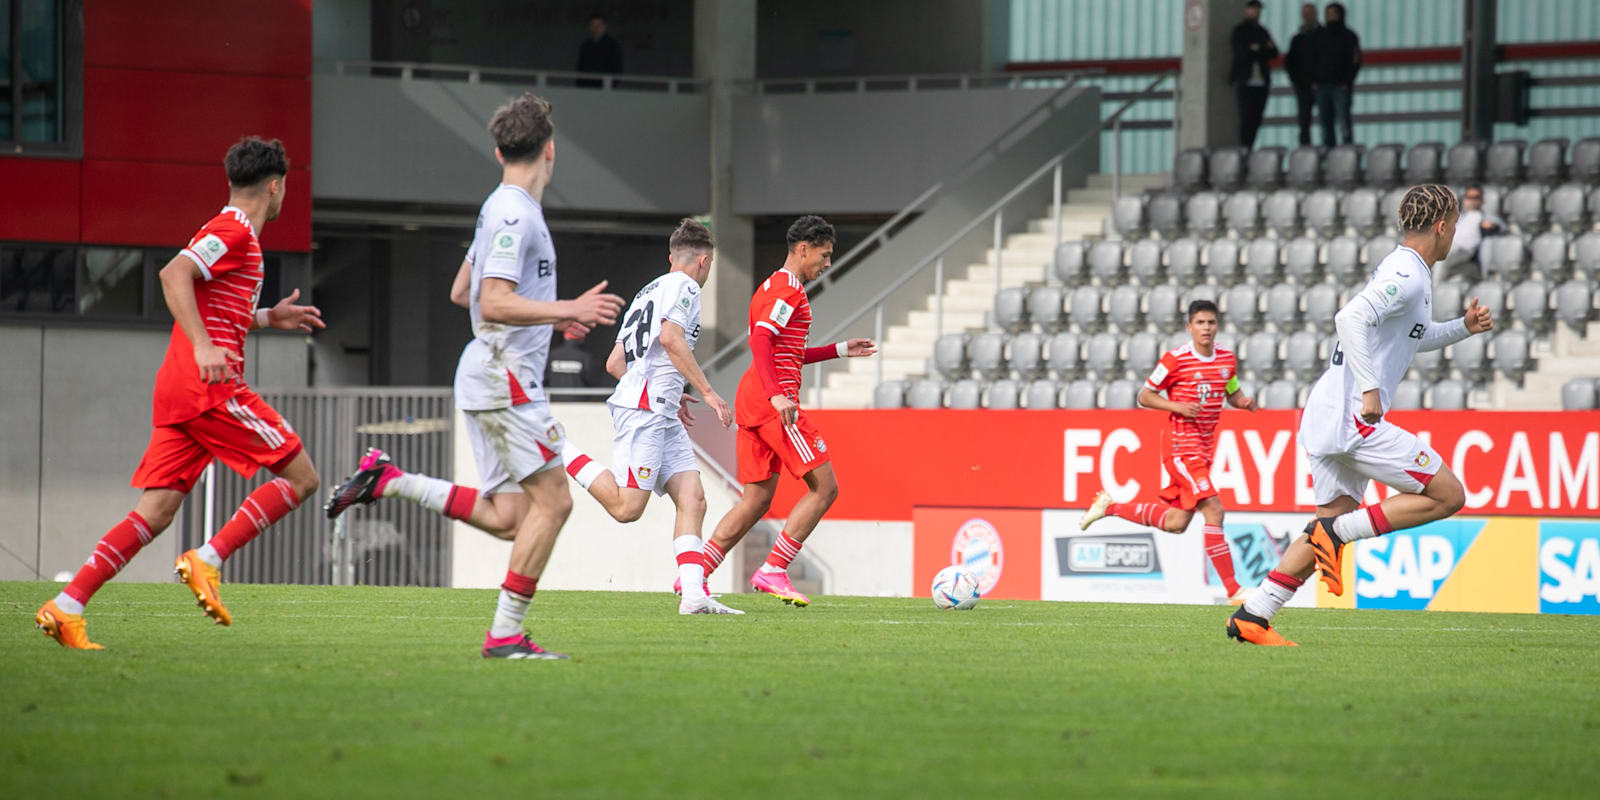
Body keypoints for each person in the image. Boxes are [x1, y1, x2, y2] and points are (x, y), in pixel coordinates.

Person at [324, 93, 625, 659]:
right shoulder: (514, 213)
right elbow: (489, 301)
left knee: (511, 517)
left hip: (492, 370)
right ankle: (506, 635)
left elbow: (462, 291)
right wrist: (567, 309)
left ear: (497, 150)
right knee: (555, 505)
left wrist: (549, 324)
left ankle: (390, 481)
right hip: (504, 377)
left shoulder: (496, 209)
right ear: (551, 150)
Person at [34, 137, 327, 649]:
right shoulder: (233, 229)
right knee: (303, 478)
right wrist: (203, 346)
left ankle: (67, 605)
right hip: (208, 388)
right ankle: (208, 559)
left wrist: (266, 318)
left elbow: (214, 305)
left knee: (156, 512)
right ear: (276, 186)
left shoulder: (236, 235)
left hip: (180, 390)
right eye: (285, 190)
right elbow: (175, 274)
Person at [1227, 185, 1494, 646]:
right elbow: (1349, 318)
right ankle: (1337, 532)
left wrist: (1462, 328)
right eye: (1454, 226)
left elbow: (1414, 335)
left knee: (1328, 525)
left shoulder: (1409, 271)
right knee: (1448, 494)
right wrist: (1371, 389)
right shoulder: (1407, 273)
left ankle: (1254, 613)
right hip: (1355, 417)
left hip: (1327, 413)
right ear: (1443, 226)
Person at [558, 218, 743, 615]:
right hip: (644, 410)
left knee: (692, 498)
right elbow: (670, 339)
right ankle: (558, 448)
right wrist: (706, 392)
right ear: (704, 262)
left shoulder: (648, 291)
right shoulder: (687, 287)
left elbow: (614, 363)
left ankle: (693, 595)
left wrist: (671, 392)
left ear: (671, 257)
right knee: (628, 509)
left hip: (656, 407)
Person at [696, 216, 877, 607]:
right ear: (803, 250)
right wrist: (778, 396)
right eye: (824, 256)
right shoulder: (789, 291)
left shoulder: (772, 286)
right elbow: (760, 342)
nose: (826, 264)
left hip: (754, 399)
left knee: (756, 500)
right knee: (825, 487)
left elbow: (785, 351)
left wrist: (841, 350)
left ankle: (696, 575)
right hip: (769, 402)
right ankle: (774, 569)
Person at [1080, 300, 1257, 605]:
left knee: (1177, 523)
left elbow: (1231, 390)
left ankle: (1108, 507)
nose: (1206, 328)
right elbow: (1144, 395)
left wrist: (1243, 402)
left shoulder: (1227, 360)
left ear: (1217, 326)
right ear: (1190, 327)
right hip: (1179, 446)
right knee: (1214, 510)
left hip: (1204, 449)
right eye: (1200, 323)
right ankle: (1234, 591)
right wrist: (1176, 406)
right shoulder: (1175, 360)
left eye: (1211, 323)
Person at [1229, 0, 1279, 150]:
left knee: (1256, 119)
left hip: (1261, 81)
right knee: (1246, 119)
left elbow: (1273, 52)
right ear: (1247, 11)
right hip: (1245, 80)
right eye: (1253, 10)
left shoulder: (1262, 31)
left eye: (1258, 10)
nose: (1256, 13)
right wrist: (1260, 49)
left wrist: (1256, 48)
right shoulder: (1240, 30)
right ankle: (1245, 149)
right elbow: (1241, 52)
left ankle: (1249, 147)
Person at [1313, 2, 1362, 147]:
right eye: (1328, 14)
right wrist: (1314, 80)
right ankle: (1329, 156)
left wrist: (1346, 81)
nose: (1330, 17)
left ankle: (1347, 155)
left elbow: (1356, 61)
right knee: (1325, 124)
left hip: (1341, 86)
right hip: (1322, 85)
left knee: (1344, 123)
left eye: (1333, 14)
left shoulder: (1349, 36)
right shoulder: (1318, 35)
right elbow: (1312, 59)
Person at [1440, 184, 1504, 283]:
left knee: (1441, 261)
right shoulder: (1459, 217)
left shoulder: (1486, 217)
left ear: (1482, 200)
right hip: (1451, 248)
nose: (1473, 201)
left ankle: (1435, 288)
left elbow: (1503, 228)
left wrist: (1492, 227)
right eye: (1469, 197)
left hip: (1465, 251)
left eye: (1476, 197)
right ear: (1464, 200)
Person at [1284, 3, 1322, 147]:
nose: (1308, 16)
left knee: (1327, 121)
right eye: (1305, 14)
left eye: (1310, 13)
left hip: (1322, 84)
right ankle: (1305, 150)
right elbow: (1289, 63)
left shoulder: (1324, 36)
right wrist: (1297, 81)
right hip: (1303, 86)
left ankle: (1331, 152)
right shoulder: (1298, 39)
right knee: (1304, 121)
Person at [545, 326, 604, 391]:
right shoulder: (586, 357)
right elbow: (593, 380)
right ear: (582, 339)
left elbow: (544, 377)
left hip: (553, 399)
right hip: (578, 400)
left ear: (565, 336)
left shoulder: (552, 355)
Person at [576, 13, 623, 88]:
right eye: (593, 25)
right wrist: (579, 84)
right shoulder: (585, 45)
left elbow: (617, 67)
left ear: (604, 27)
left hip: (606, 87)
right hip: (586, 86)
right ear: (589, 27)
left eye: (599, 25)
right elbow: (580, 67)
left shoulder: (612, 45)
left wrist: (612, 85)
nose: (596, 28)